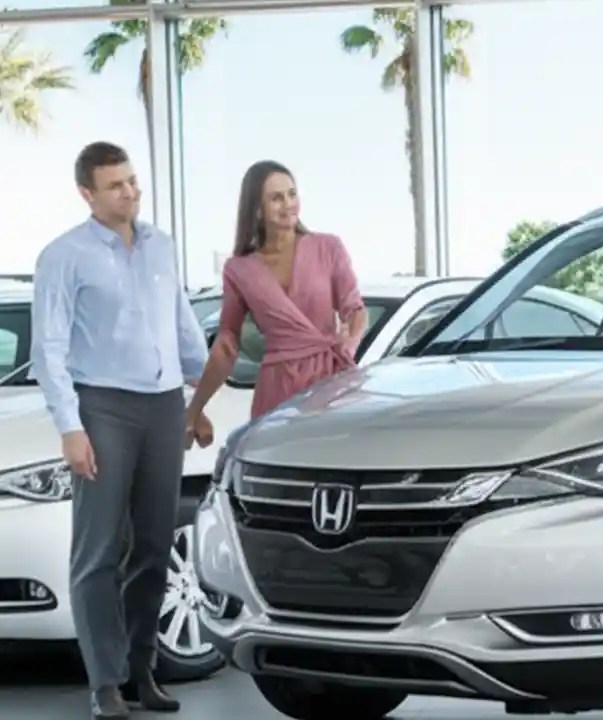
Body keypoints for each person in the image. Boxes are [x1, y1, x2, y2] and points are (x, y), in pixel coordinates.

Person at [30, 141, 212, 719]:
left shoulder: (161, 245)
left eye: (132, 181)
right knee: (99, 551)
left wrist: (197, 398)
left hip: (163, 407)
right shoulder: (64, 256)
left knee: (154, 547)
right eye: (116, 185)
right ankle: (104, 683)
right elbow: (49, 349)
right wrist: (70, 426)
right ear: (88, 193)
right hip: (102, 407)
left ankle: (141, 672)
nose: (130, 192)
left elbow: (181, 323)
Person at [184, 160, 367, 442]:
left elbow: (354, 308)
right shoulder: (239, 269)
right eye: (276, 198)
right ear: (256, 210)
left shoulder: (328, 247)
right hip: (277, 388)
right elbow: (226, 345)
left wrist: (349, 343)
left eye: (292, 194)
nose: (288, 204)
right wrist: (195, 409)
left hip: (330, 383)